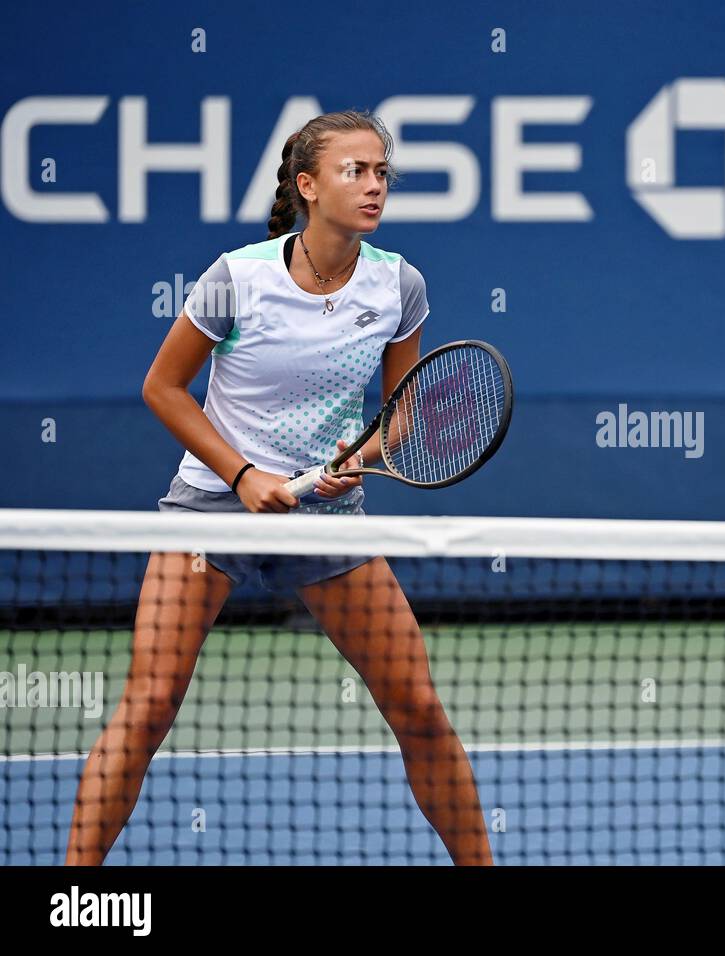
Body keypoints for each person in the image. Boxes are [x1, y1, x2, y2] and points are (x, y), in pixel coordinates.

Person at [65, 111, 494, 864]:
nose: (373, 186)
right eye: (354, 171)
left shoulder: (400, 285)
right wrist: (242, 474)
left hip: (326, 514)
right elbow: (163, 388)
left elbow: (399, 419)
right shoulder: (238, 278)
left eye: (382, 173)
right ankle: (71, 893)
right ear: (307, 185)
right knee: (150, 704)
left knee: (421, 710)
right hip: (212, 508)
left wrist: (361, 455)